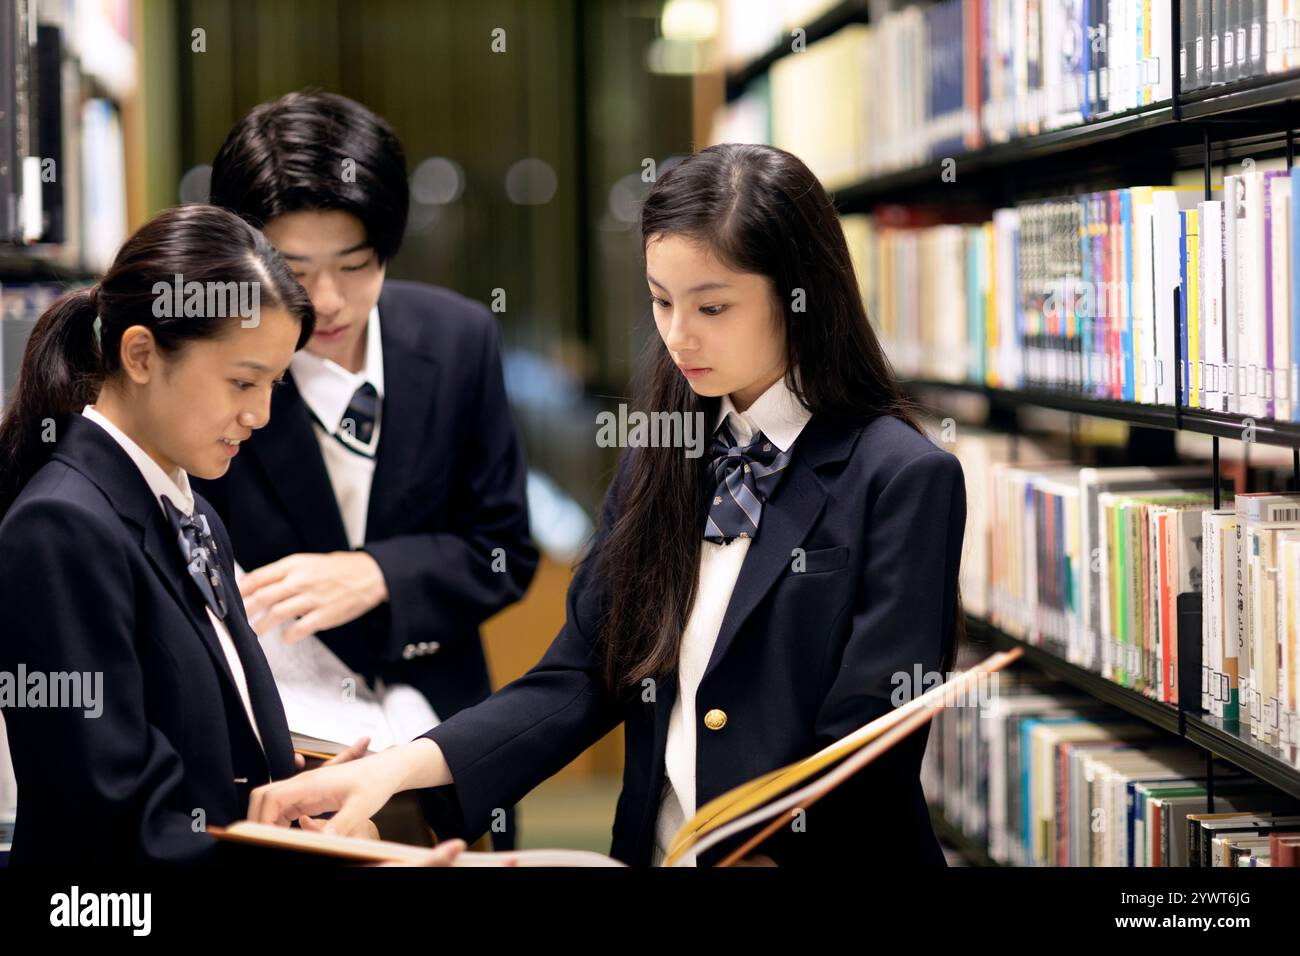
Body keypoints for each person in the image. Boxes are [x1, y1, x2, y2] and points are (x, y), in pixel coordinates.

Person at [246, 143, 968, 867]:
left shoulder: (903, 479)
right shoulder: (667, 452)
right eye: (660, 300)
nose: (677, 336)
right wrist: (396, 769)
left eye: (712, 306)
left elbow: (865, 755)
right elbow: (581, 675)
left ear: (800, 295)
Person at [192, 90, 536, 850]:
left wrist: (377, 574)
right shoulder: (212, 368)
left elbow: (504, 549)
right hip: (280, 755)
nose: (327, 301)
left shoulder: (457, 340)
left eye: (355, 265)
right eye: (294, 269)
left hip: (442, 735)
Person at [0, 204, 382, 864]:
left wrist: (294, 791)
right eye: (242, 381)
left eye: (273, 384)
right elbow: (111, 822)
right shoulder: (60, 527)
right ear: (142, 354)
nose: (259, 413)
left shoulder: (190, 508)